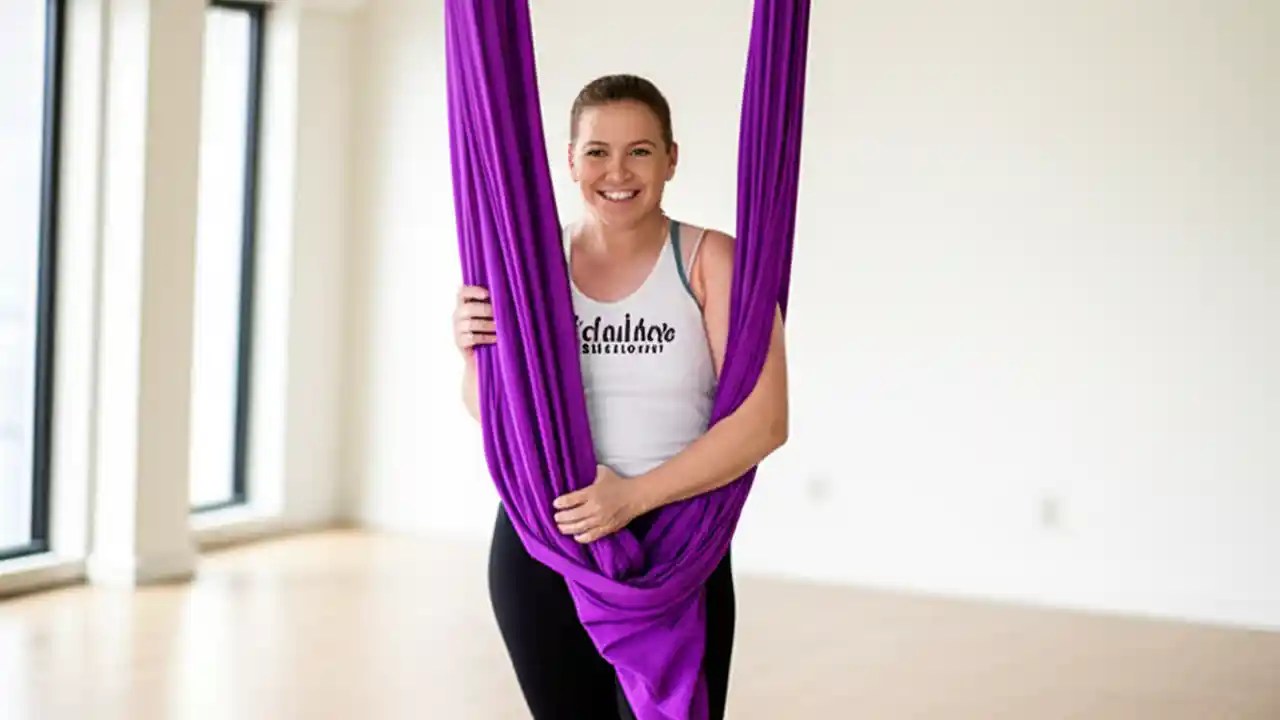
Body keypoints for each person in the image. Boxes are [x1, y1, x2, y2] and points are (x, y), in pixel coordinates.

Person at [452, 74, 789, 720]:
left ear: (671, 159)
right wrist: (472, 353)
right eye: (597, 151)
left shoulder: (710, 260)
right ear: (570, 160)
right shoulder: (529, 263)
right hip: (547, 544)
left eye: (639, 150)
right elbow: (496, 414)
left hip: (677, 543)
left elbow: (765, 422)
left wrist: (633, 496)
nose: (618, 171)